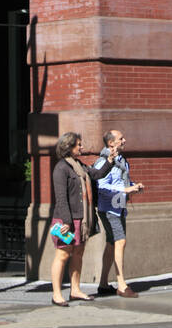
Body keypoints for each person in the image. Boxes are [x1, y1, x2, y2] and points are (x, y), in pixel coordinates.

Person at [49, 132, 115, 306]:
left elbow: (96, 174)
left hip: (82, 219)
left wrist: (110, 161)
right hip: (66, 220)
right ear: (69, 147)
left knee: (78, 254)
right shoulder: (61, 168)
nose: (82, 147)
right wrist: (66, 222)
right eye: (78, 145)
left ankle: (75, 290)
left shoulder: (79, 165)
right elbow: (61, 198)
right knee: (62, 255)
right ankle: (56, 294)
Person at [93, 129, 143, 298]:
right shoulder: (102, 162)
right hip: (108, 209)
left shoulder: (122, 160)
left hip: (119, 207)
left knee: (112, 244)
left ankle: (103, 284)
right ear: (111, 143)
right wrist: (124, 189)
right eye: (121, 138)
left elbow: (122, 181)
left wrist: (134, 187)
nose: (124, 140)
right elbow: (102, 186)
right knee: (120, 241)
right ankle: (121, 285)